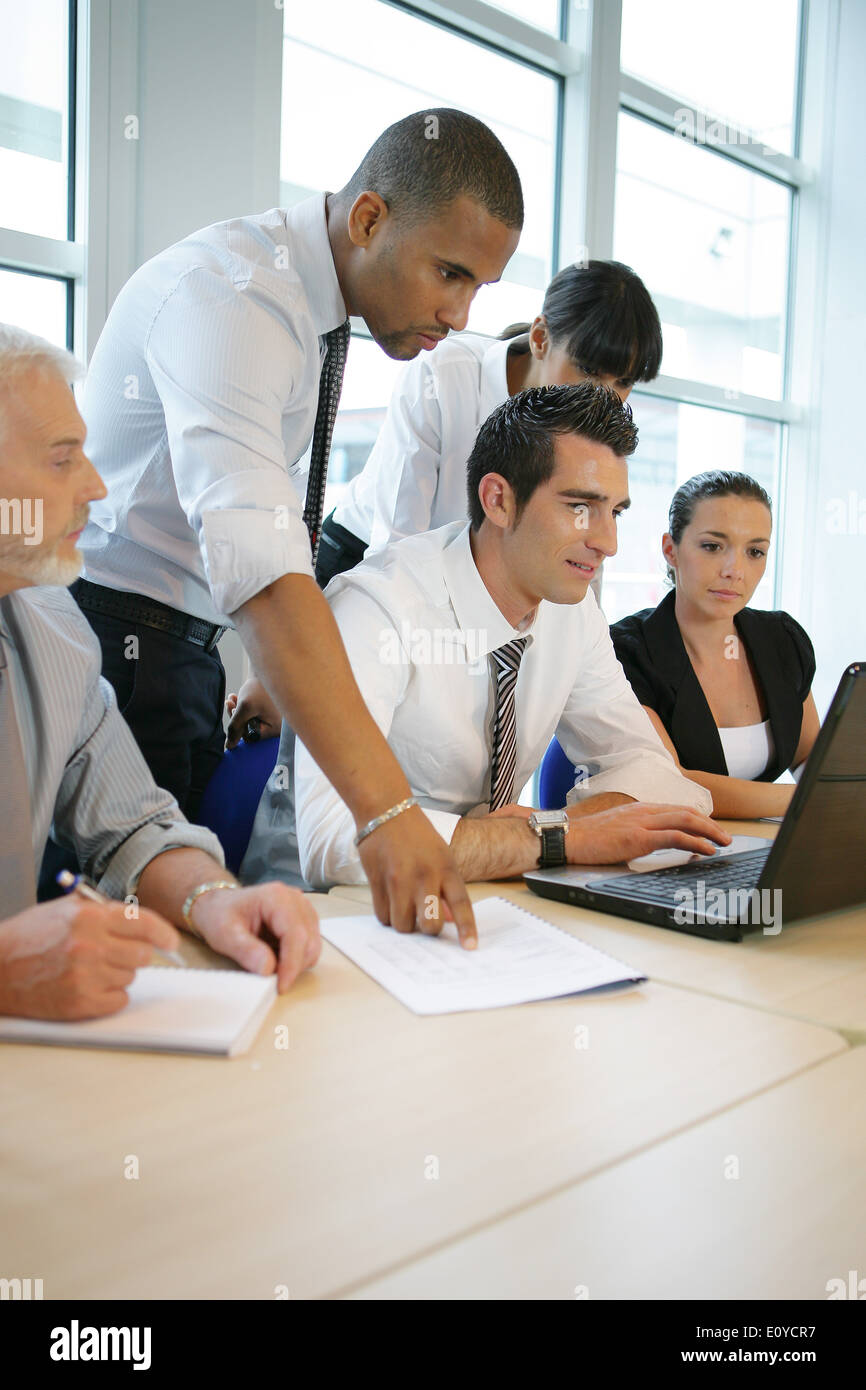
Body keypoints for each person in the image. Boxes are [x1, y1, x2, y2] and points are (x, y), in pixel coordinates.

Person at [73, 108, 526, 942]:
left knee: (181, 957)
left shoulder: (301, 304)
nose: (460, 314)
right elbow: (265, 575)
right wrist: (388, 811)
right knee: (128, 964)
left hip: (177, 647)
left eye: (479, 290)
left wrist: (277, 674)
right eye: (450, 273)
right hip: (117, 647)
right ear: (368, 219)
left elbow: (264, 534)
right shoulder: (238, 298)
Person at [280, 385, 728, 896]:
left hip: (492, 901)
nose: (607, 542)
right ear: (498, 500)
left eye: (616, 512)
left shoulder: (573, 610)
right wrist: (555, 838)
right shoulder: (379, 606)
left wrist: (547, 829)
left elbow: (658, 775)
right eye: (581, 507)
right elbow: (334, 842)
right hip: (347, 918)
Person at [0, 325, 319, 1020]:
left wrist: (215, 899)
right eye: (61, 461)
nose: (94, 485)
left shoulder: (52, 629)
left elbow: (132, 830)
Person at [313, 258, 662, 589]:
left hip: (464, 579)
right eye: (588, 372)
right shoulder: (445, 377)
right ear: (541, 338)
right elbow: (396, 546)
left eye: (623, 383)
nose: (603, 397)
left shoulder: (593, 437)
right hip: (362, 558)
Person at [610, 471, 820, 820]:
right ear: (670, 550)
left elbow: (809, 759)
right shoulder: (626, 651)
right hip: (668, 854)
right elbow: (671, 784)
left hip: (762, 848)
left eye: (755, 551)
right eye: (712, 546)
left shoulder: (782, 638)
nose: (734, 570)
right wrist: (808, 799)